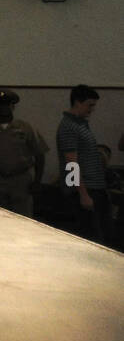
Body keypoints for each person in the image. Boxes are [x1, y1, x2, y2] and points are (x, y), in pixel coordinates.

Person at [0, 88, 47, 217]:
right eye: (0, 105)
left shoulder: (25, 127)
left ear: (12, 106)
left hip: (20, 181)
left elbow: (39, 154)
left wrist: (37, 181)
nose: (3, 108)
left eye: (6, 105)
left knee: (23, 219)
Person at [57, 85, 109, 243]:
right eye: (89, 105)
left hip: (94, 187)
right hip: (85, 189)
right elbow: (71, 164)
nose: (92, 109)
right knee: (92, 237)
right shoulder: (69, 126)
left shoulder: (80, 124)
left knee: (104, 235)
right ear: (77, 102)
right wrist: (82, 194)